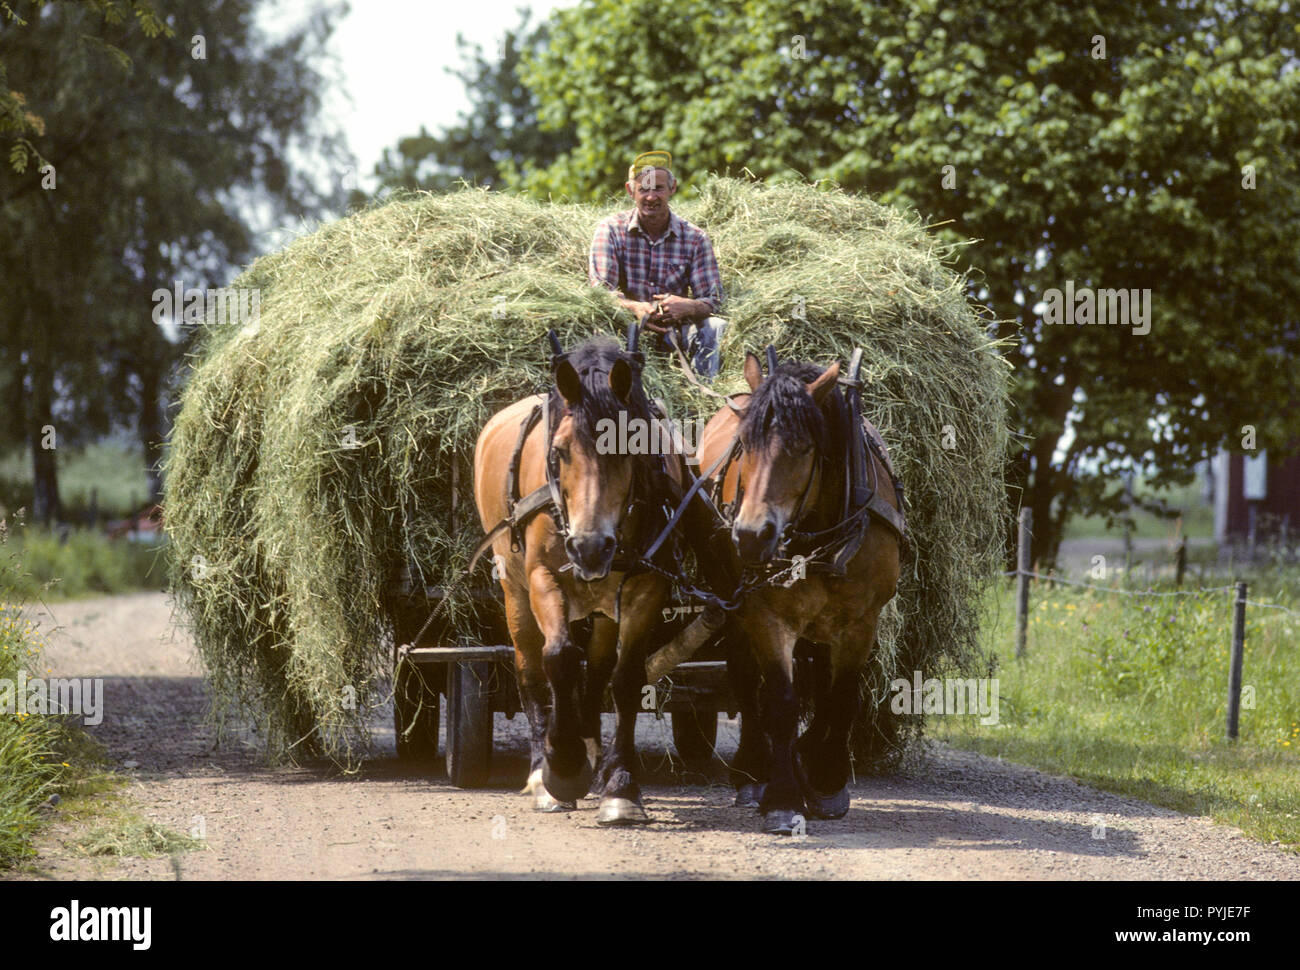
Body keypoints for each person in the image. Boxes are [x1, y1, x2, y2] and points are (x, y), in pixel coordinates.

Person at [589, 150, 727, 378]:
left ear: (672, 189)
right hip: (626, 329)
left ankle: (706, 397)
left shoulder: (695, 237)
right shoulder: (611, 230)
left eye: (659, 189)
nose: (651, 197)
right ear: (630, 190)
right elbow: (601, 294)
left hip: (679, 332)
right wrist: (635, 308)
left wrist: (688, 306)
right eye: (644, 189)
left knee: (716, 327)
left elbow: (713, 300)